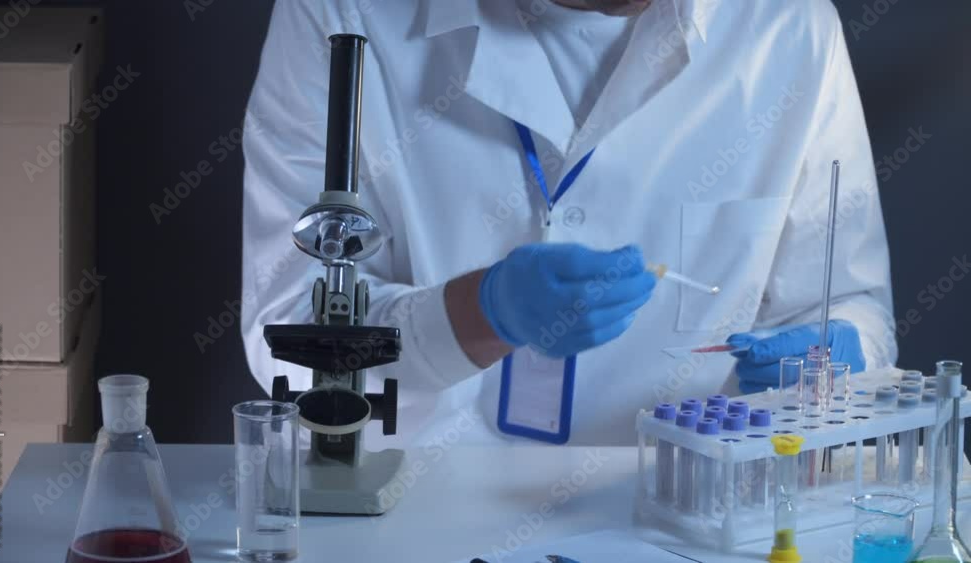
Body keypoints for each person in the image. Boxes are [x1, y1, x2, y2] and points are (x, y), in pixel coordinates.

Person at [240, 0, 896, 447]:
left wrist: (833, 362)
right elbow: (286, 338)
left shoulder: (785, 25)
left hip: (686, 514)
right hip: (414, 510)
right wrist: (477, 314)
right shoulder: (344, 14)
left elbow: (856, 312)